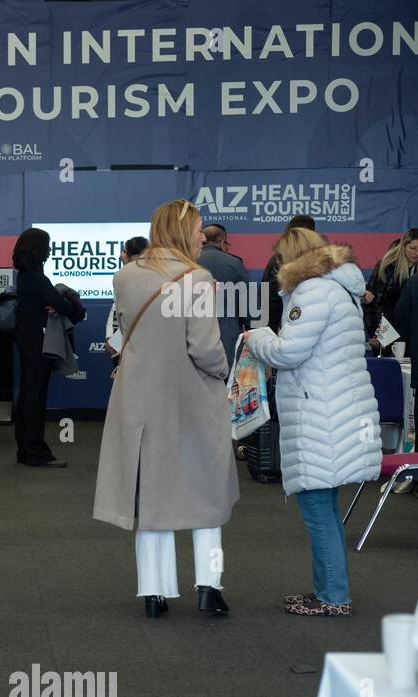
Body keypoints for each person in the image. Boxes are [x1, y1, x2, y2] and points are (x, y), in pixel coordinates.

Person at [93, 199, 238, 618]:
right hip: (192, 398)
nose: (201, 236)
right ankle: (210, 587)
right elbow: (205, 348)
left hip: (138, 399)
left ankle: (153, 593)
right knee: (207, 494)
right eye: (196, 229)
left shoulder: (125, 277)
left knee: (151, 498)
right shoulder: (196, 279)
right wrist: (229, 370)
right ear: (181, 231)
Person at [244, 231, 381, 616]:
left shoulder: (312, 292)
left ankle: (333, 597)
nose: (275, 266)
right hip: (336, 411)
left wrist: (256, 339)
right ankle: (327, 590)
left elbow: (288, 353)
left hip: (320, 413)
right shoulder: (340, 290)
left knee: (317, 507)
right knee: (325, 508)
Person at [12, 227, 82, 467]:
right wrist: (67, 303)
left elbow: (55, 303)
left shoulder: (26, 274)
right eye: (47, 245)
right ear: (37, 249)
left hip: (27, 337)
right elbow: (62, 306)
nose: (50, 250)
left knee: (29, 394)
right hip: (36, 339)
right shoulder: (35, 277)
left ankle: (26, 449)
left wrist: (58, 304)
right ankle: (34, 452)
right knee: (35, 396)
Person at [198, 223, 252, 369]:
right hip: (227, 335)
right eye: (227, 244)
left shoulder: (187, 262)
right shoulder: (234, 263)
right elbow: (248, 305)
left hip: (194, 336)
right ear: (222, 241)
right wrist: (249, 328)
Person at [363, 228, 418, 352]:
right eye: (413, 248)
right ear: (403, 247)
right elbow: (373, 302)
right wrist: (375, 332)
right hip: (386, 332)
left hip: (411, 333)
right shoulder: (388, 267)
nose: (417, 253)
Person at [260, 215, 315, 333]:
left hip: (288, 325)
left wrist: (270, 331)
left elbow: (268, 298)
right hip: (302, 324)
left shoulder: (278, 258)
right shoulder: (323, 260)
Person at [104, 236, 148, 367]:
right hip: (122, 344)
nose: (121, 255)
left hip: (143, 343)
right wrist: (111, 337)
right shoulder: (120, 277)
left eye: (124, 251)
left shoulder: (153, 279)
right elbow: (116, 309)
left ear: (134, 257)